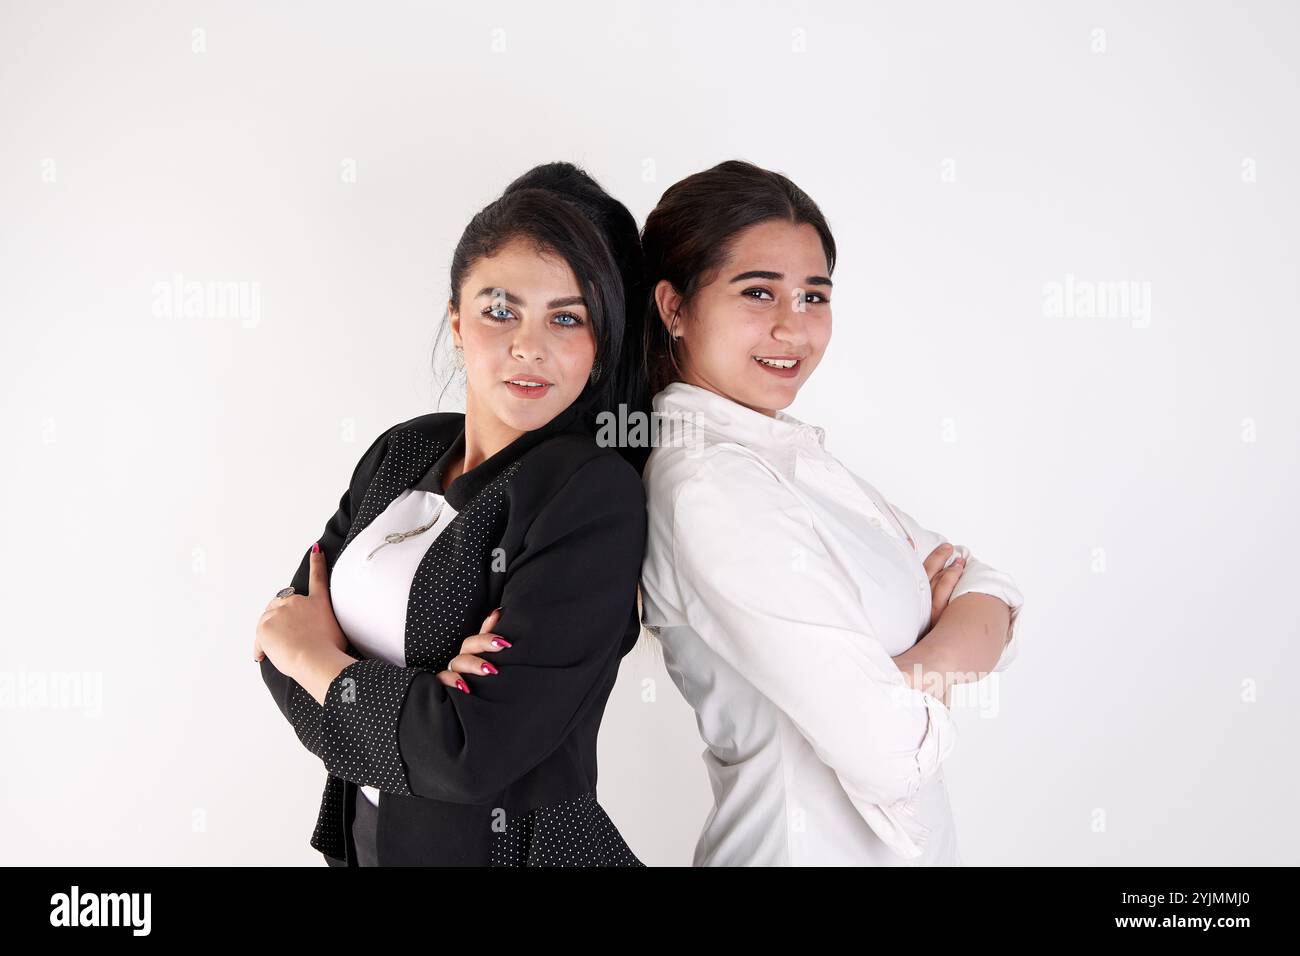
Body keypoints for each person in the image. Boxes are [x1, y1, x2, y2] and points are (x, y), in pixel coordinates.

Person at [255, 162, 649, 866]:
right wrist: (412, 706)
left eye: (567, 317)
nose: (530, 346)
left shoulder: (592, 496)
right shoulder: (402, 451)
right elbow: (276, 642)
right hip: (368, 843)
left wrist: (323, 658)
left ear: (598, 347)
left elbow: (469, 755)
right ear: (457, 320)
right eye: (502, 310)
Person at [638, 159, 1025, 866]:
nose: (795, 328)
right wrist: (937, 656)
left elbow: (991, 588)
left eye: (814, 297)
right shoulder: (712, 487)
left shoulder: (790, 460)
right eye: (759, 292)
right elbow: (887, 752)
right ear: (675, 308)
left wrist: (903, 675)